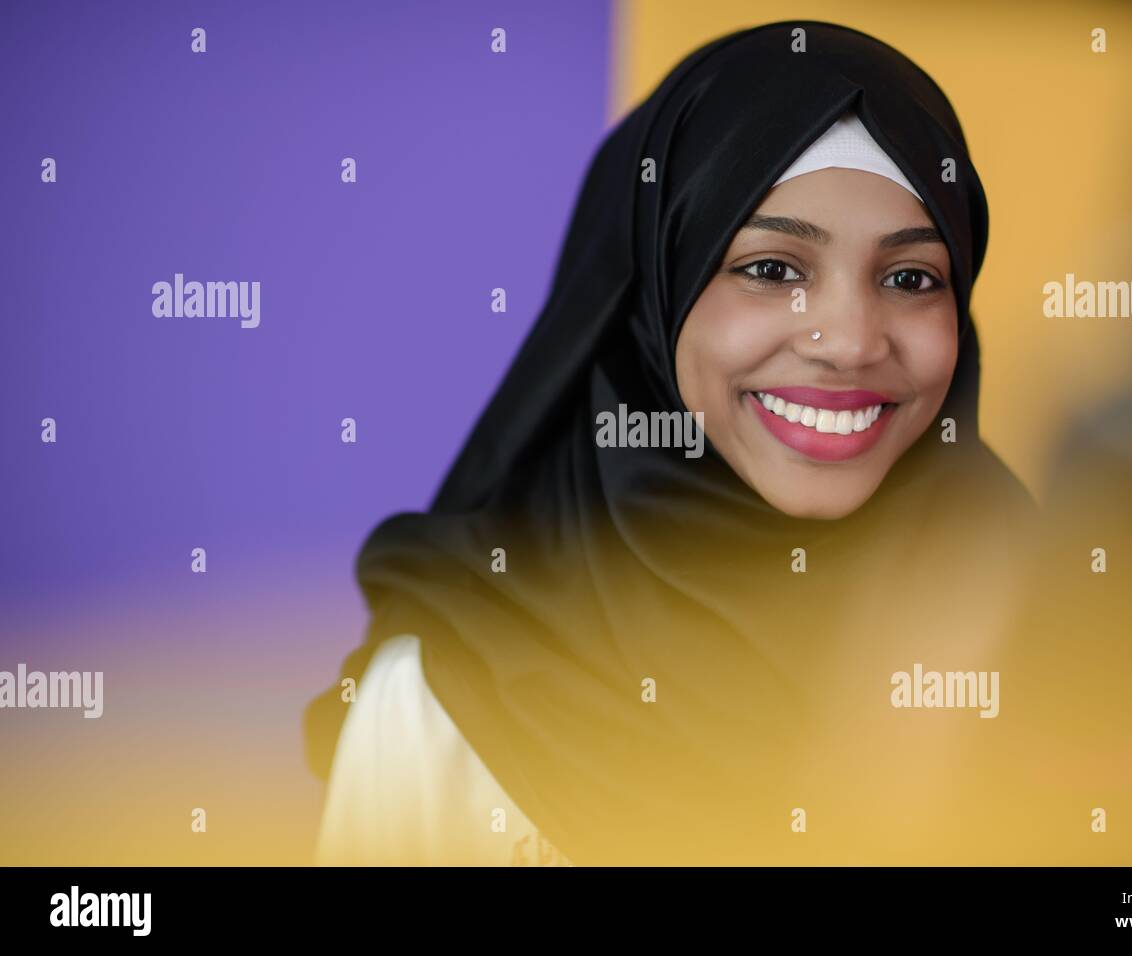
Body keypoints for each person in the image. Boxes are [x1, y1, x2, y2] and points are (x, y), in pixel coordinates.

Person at [303, 20, 1036, 866]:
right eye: (772, 269)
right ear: (654, 290)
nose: (849, 341)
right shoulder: (450, 696)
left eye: (911, 279)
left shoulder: (1062, 631)